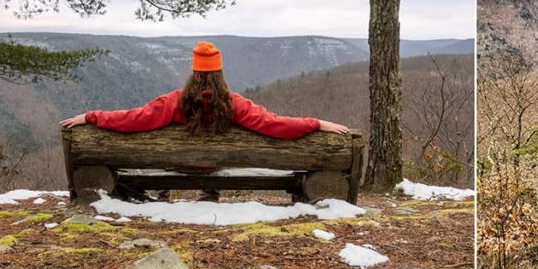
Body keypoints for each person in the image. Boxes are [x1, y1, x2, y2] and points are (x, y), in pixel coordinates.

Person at [58, 41, 350, 202]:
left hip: (176, 166)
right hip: (214, 167)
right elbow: (275, 125)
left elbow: (133, 119)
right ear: (219, 73)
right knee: (214, 159)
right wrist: (315, 123)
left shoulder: (175, 101)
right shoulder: (234, 104)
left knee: (161, 157)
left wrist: (91, 116)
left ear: (194, 72)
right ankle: (209, 192)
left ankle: (162, 193)